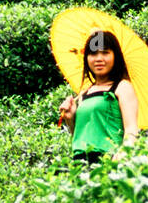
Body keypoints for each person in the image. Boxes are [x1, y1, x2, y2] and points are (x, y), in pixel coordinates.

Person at [59, 29, 140, 165]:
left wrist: (124, 153)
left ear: (115, 56)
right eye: (93, 53)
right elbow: (80, 136)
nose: (99, 59)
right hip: (80, 163)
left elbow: (131, 129)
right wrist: (70, 118)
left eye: (105, 53)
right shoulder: (85, 93)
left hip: (108, 159)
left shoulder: (122, 87)